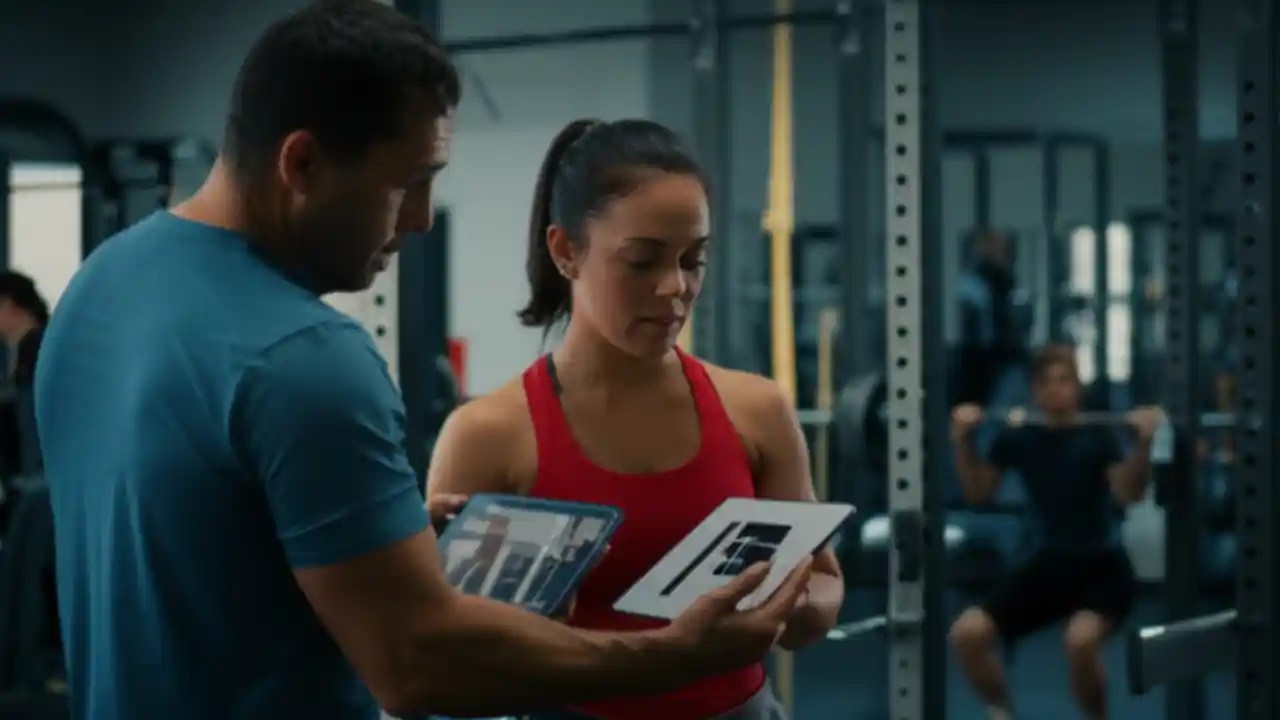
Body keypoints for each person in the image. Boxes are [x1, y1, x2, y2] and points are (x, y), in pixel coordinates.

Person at [32, 3, 812, 720]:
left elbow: (193, 555)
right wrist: (668, 656)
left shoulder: (102, 285)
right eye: (408, 184)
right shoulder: (305, 358)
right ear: (300, 165)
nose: (419, 220)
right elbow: (416, 665)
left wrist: (387, 539)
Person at [425, 118, 845, 720]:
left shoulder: (758, 410)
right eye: (642, 261)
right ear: (566, 249)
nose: (675, 287)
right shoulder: (487, 434)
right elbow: (445, 650)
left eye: (693, 260)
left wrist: (784, 609)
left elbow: (824, 582)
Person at [948, 343, 1163, 720]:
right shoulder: (1019, 437)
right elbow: (978, 492)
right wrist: (962, 440)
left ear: (1077, 387)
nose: (1055, 389)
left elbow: (1129, 493)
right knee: (967, 634)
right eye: (1045, 381)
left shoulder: (1098, 437)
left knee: (1080, 642)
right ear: (1034, 390)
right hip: (1048, 565)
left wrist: (1144, 444)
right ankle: (1002, 712)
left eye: (1064, 380)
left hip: (1102, 568)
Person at [954, 228, 1031, 407]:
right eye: (990, 242)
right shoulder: (970, 286)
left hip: (1007, 360)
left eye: (999, 243)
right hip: (977, 361)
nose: (995, 248)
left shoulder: (1011, 286)